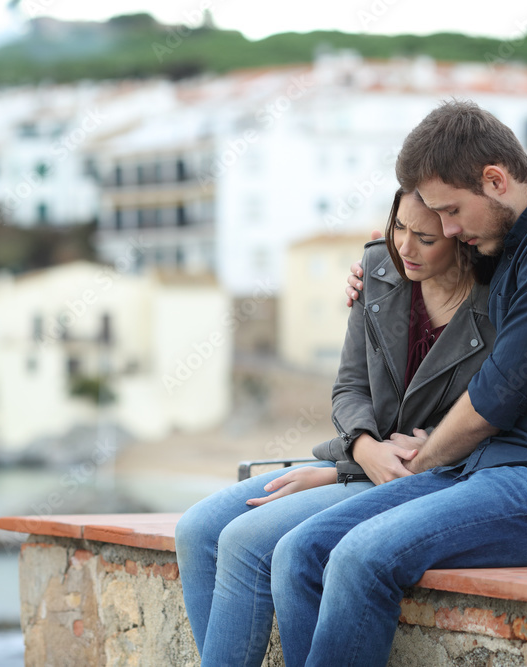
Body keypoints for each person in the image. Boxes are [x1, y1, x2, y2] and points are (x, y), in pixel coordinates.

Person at [269, 100, 527, 667]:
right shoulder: (510, 242)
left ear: (495, 179)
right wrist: (376, 279)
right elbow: (433, 283)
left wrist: (419, 458)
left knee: (361, 557)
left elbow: (492, 399)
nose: (448, 230)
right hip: (492, 471)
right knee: (302, 550)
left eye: (452, 211)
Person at [174, 188, 498, 667]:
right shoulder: (380, 269)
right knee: (196, 529)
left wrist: (341, 471)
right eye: (398, 227)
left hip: (431, 476)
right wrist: (361, 450)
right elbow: (348, 388)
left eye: (424, 238)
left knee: (246, 543)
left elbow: (481, 421)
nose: (405, 247)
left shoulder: (497, 301)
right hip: (361, 458)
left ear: (460, 235)